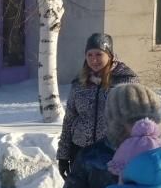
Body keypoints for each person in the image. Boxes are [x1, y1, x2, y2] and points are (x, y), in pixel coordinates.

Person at [56, 32, 139, 178]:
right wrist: (63, 155)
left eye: (99, 54)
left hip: (112, 153)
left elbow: (136, 122)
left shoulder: (126, 82)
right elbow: (69, 119)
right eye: (90, 55)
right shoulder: (79, 83)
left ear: (110, 55)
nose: (94, 60)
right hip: (80, 151)